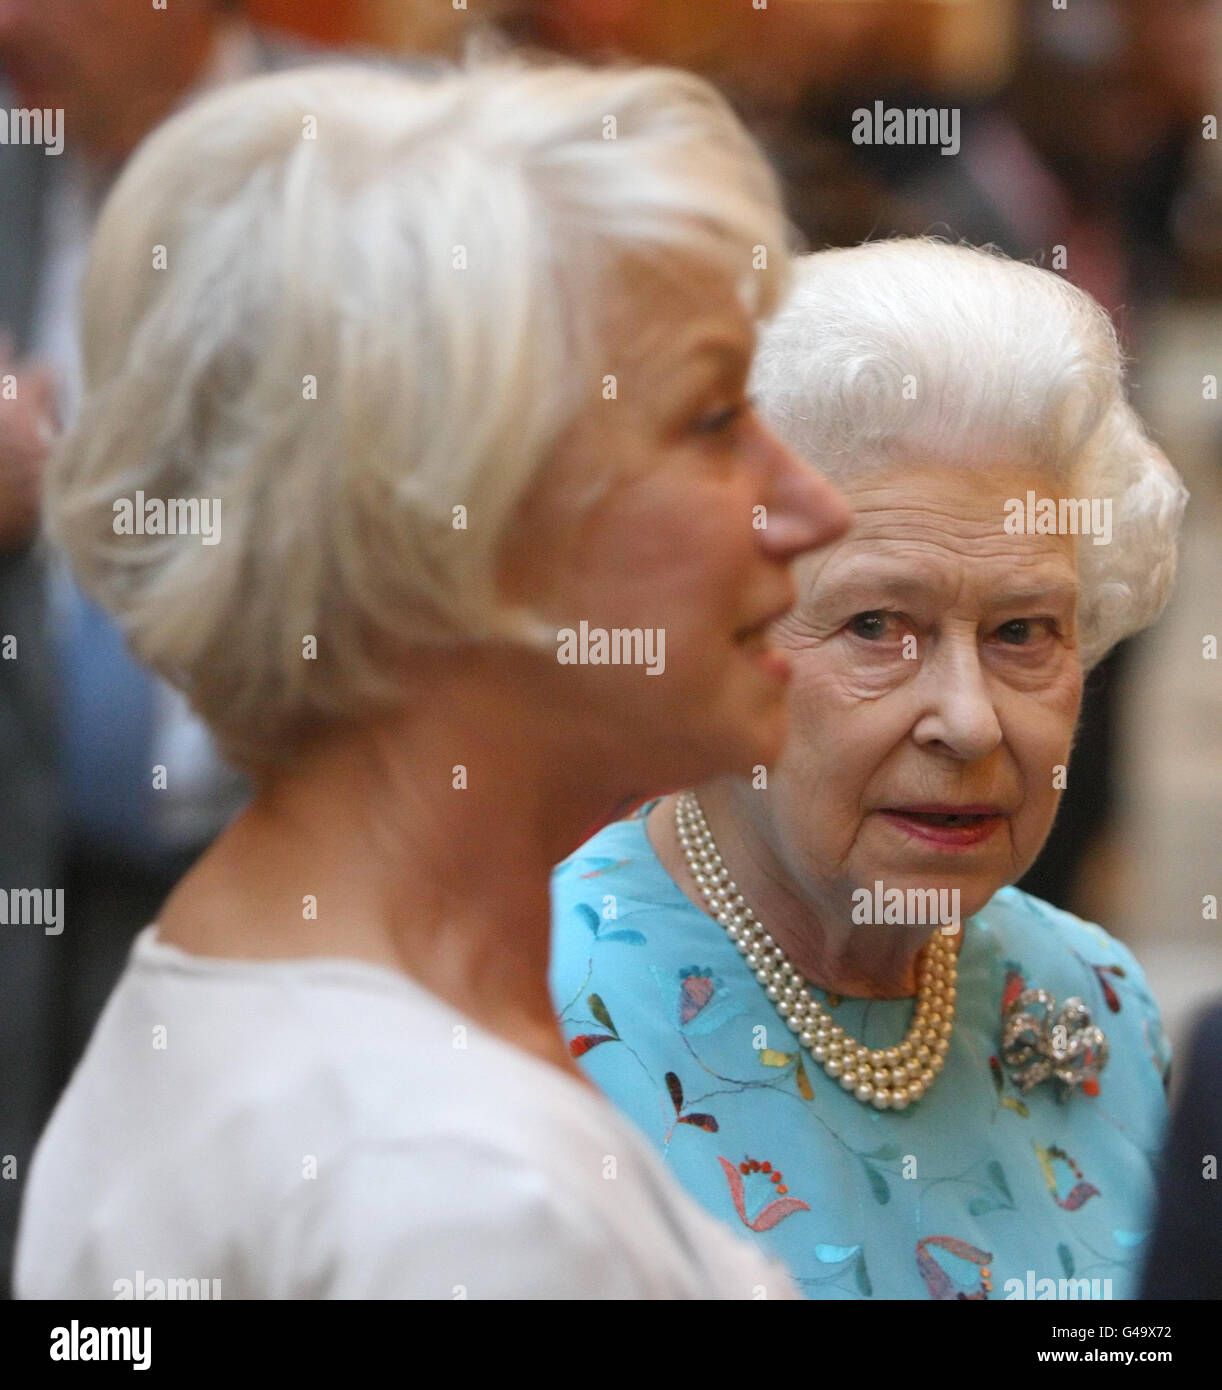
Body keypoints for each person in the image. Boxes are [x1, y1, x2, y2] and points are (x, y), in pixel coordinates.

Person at [14, 59, 851, 1299]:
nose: (810, 506)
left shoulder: (267, 994)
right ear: (447, 511)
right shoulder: (455, 1192)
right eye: (713, 418)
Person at [551, 238, 1188, 1300]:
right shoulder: (534, 1027)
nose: (970, 721)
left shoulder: (1096, 999)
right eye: (876, 624)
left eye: (1024, 629)